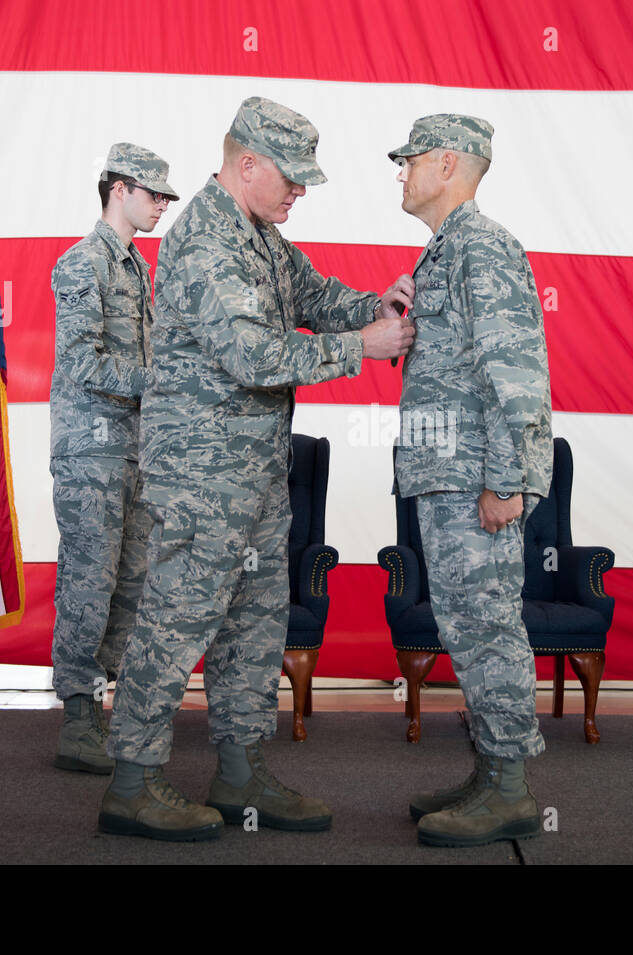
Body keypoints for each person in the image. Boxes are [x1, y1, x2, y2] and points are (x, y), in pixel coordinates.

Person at [97, 97, 415, 842]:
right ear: (247, 165)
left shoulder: (262, 236)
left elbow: (314, 296)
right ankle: (131, 784)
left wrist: (374, 305)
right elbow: (255, 356)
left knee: (255, 624)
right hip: (201, 478)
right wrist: (363, 347)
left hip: (257, 474)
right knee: (174, 623)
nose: (300, 189)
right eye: (291, 175)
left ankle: (240, 772)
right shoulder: (206, 240)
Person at [388, 115, 553, 847]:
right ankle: (490, 772)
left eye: (411, 160)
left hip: (475, 477)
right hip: (448, 474)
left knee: (488, 629)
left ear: (448, 164)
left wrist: (505, 480)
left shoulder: (481, 247)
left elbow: (513, 372)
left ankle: (510, 789)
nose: (402, 173)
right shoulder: (446, 250)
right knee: (465, 625)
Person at [49, 143, 178, 774]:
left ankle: (104, 705)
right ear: (120, 189)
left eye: (166, 198)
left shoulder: (136, 268)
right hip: (91, 455)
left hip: (133, 454)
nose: (161, 206)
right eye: (154, 194)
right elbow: (81, 362)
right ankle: (78, 715)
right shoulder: (83, 264)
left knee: (131, 582)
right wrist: (162, 383)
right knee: (89, 582)